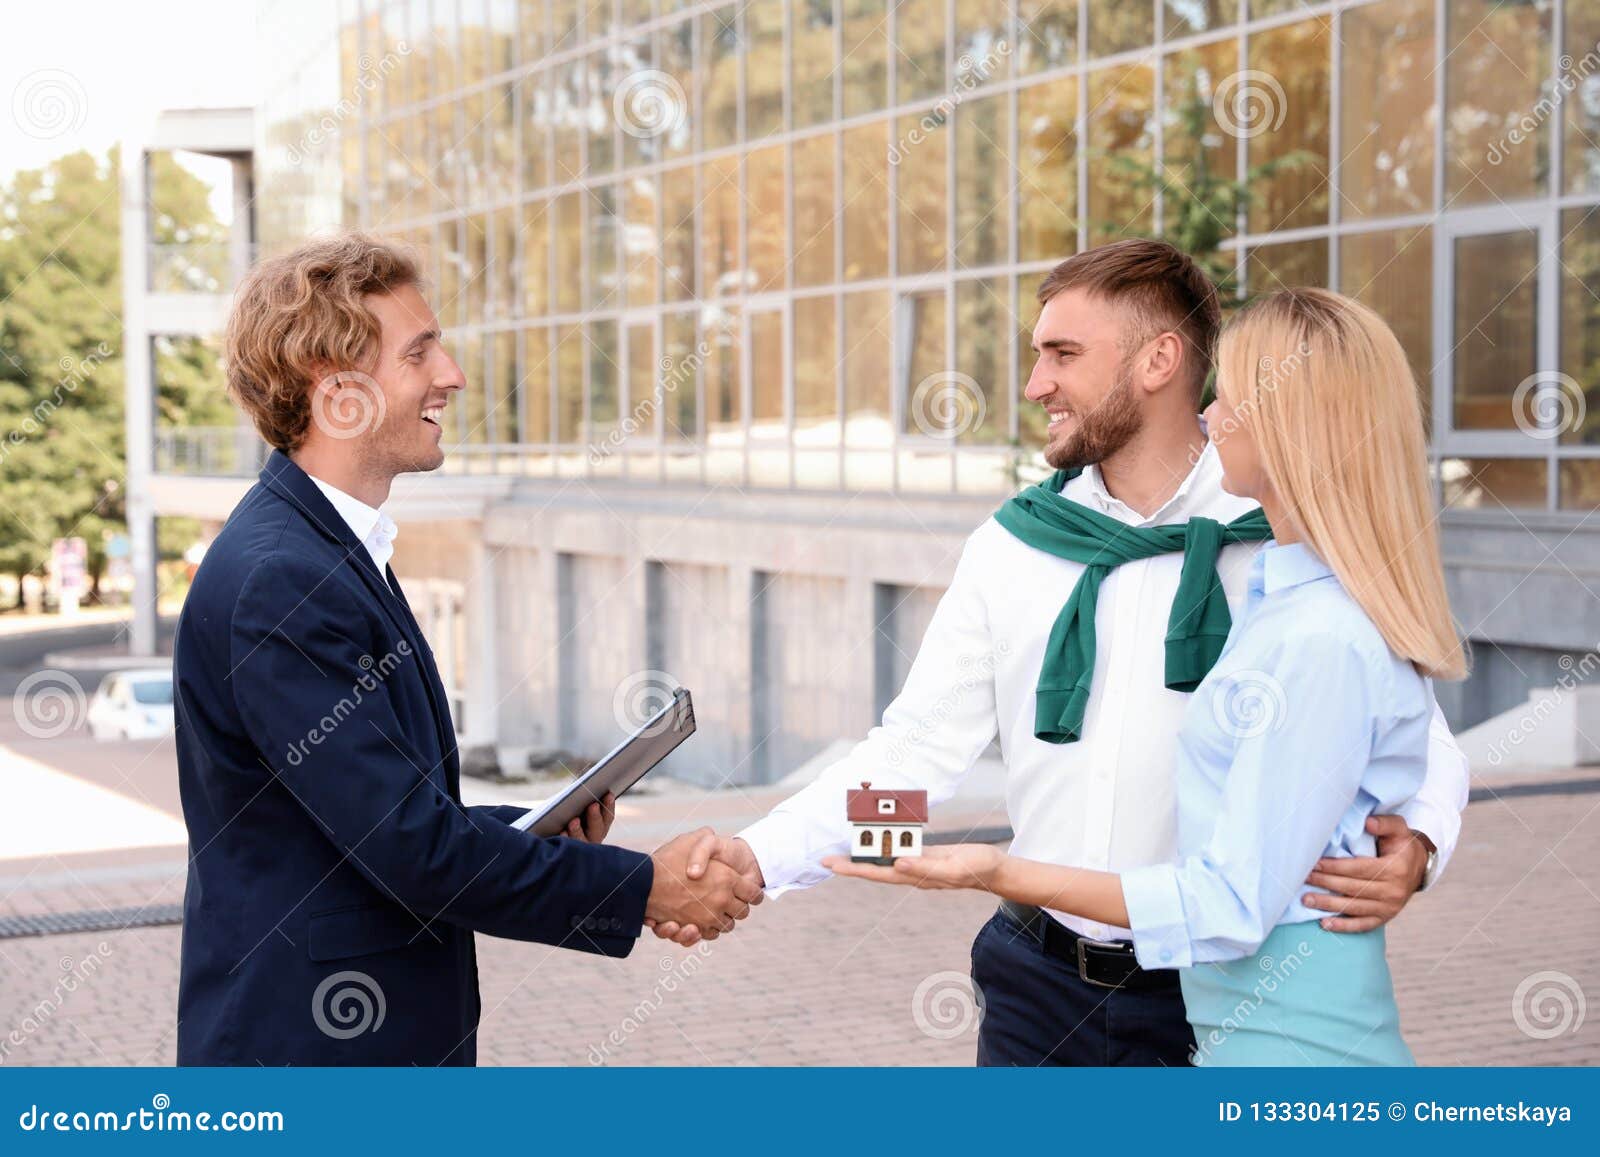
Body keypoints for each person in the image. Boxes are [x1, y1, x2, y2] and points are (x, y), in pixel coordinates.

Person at [653, 241, 1469, 1067]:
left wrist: (1420, 845)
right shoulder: (1015, 548)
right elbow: (916, 755)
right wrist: (767, 859)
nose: (1036, 384)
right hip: (1038, 988)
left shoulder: (1281, 531)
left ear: (1159, 360)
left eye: (1063, 355)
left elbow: (1410, 729)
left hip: (1219, 991)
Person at [173, 233, 760, 1066]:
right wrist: (641, 886)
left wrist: (536, 836)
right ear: (336, 391)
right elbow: (411, 848)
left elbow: (364, 823)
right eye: (420, 351)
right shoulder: (284, 579)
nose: (450, 373)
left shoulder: (328, 550)